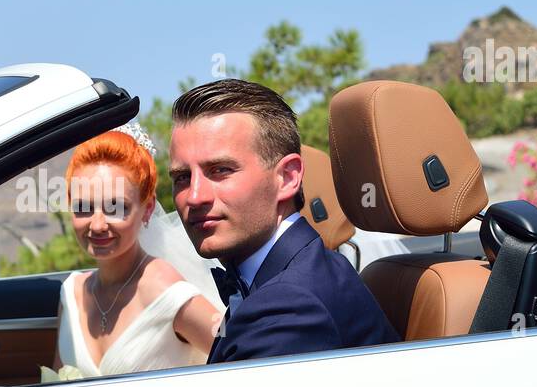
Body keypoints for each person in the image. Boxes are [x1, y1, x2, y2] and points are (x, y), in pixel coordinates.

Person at [169, 78, 398, 362]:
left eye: (220, 170)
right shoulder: (308, 269)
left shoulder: (288, 308)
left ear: (287, 178)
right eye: (181, 177)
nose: (194, 197)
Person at [49, 126, 224, 379]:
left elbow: (244, 361)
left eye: (116, 207)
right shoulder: (71, 292)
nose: (97, 225)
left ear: (147, 209)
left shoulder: (167, 290)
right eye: (83, 208)